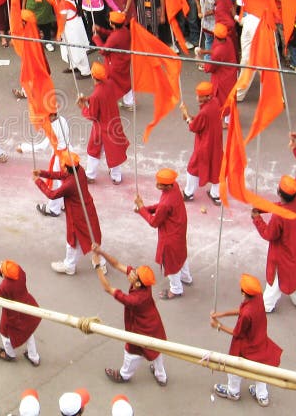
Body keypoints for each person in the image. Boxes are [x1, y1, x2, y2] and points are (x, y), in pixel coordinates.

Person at [92, 246, 168, 386]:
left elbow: (107, 288)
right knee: (157, 351)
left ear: (138, 283)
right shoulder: (143, 284)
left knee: (131, 352)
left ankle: (124, 375)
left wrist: (97, 266)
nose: (131, 272)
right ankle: (161, 377)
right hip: (154, 326)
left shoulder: (135, 300)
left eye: (134, 273)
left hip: (141, 329)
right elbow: (116, 264)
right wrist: (100, 252)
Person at [210, 274, 282, 407]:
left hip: (246, 347)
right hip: (260, 341)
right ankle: (262, 396)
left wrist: (218, 325)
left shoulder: (246, 314)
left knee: (234, 368)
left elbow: (237, 333)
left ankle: (233, 391)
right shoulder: (258, 298)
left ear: (243, 293)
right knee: (261, 370)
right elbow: (242, 310)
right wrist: (222, 314)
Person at [34, 151, 104, 275]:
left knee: (73, 240)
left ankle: (69, 265)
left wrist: (38, 181)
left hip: (76, 215)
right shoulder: (80, 170)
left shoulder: (70, 184)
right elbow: (62, 175)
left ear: (67, 167)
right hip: (88, 209)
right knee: (92, 235)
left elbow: (52, 194)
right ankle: (100, 261)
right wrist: (42, 173)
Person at [251, 175, 296, 312]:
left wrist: (257, 218)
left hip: (283, 254)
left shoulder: (279, 217)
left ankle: (266, 305)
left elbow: (268, 234)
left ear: (279, 193)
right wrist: (262, 208)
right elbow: (279, 206)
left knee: (276, 280)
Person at [134, 168, 192, 299]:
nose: (157, 185)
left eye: (160, 184)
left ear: (168, 185)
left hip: (169, 237)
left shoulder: (166, 203)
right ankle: (186, 277)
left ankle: (176, 289)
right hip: (179, 232)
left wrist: (142, 208)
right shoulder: (175, 187)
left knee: (171, 264)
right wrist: (145, 209)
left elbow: (154, 222)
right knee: (181, 256)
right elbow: (161, 206)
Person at [78, 62, 128, 185]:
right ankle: (116, 177)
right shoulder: (109, 84)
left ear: (93, 76)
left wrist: (83, 107)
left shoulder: (96, 95)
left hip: (101, 128)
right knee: (114, 151)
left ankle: (90, 175)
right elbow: (103, 98)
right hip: (114, 123)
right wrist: (88, 99)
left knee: (94, 150)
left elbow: (92, 115)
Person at [0, 260, 41, 366]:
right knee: (28, 332)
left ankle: (10, 354)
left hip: (13, 314)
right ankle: (34, 358)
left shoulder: (5, 286)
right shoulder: (19, 272)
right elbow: (6, 272)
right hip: (28, 307)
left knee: (4, 333)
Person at [180, 82, 222, 204]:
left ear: (207, 97)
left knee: (193, 168)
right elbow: (203, 121)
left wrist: (186, 114)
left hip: (204, 145)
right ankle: (216, 195)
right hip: (216, 143)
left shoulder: (205, 111)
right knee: (216, 167)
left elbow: (194, 127)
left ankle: (188, 193)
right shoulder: (215, 102)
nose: (197, 98)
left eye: (199, 96)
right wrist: (190, 117)